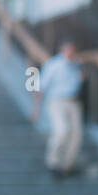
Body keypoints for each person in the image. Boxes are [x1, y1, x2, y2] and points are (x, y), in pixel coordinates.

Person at [31, 39, 84, 178]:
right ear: (63, 51)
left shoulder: (77, 65)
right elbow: (41, 86)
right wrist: (36, 110)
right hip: (56, 101)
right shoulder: (54, 65)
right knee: (62, 130)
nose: (71, 53)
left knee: (76, 134)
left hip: (73, 102)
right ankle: (53, 162)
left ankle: (67, 165)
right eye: (69, 50)